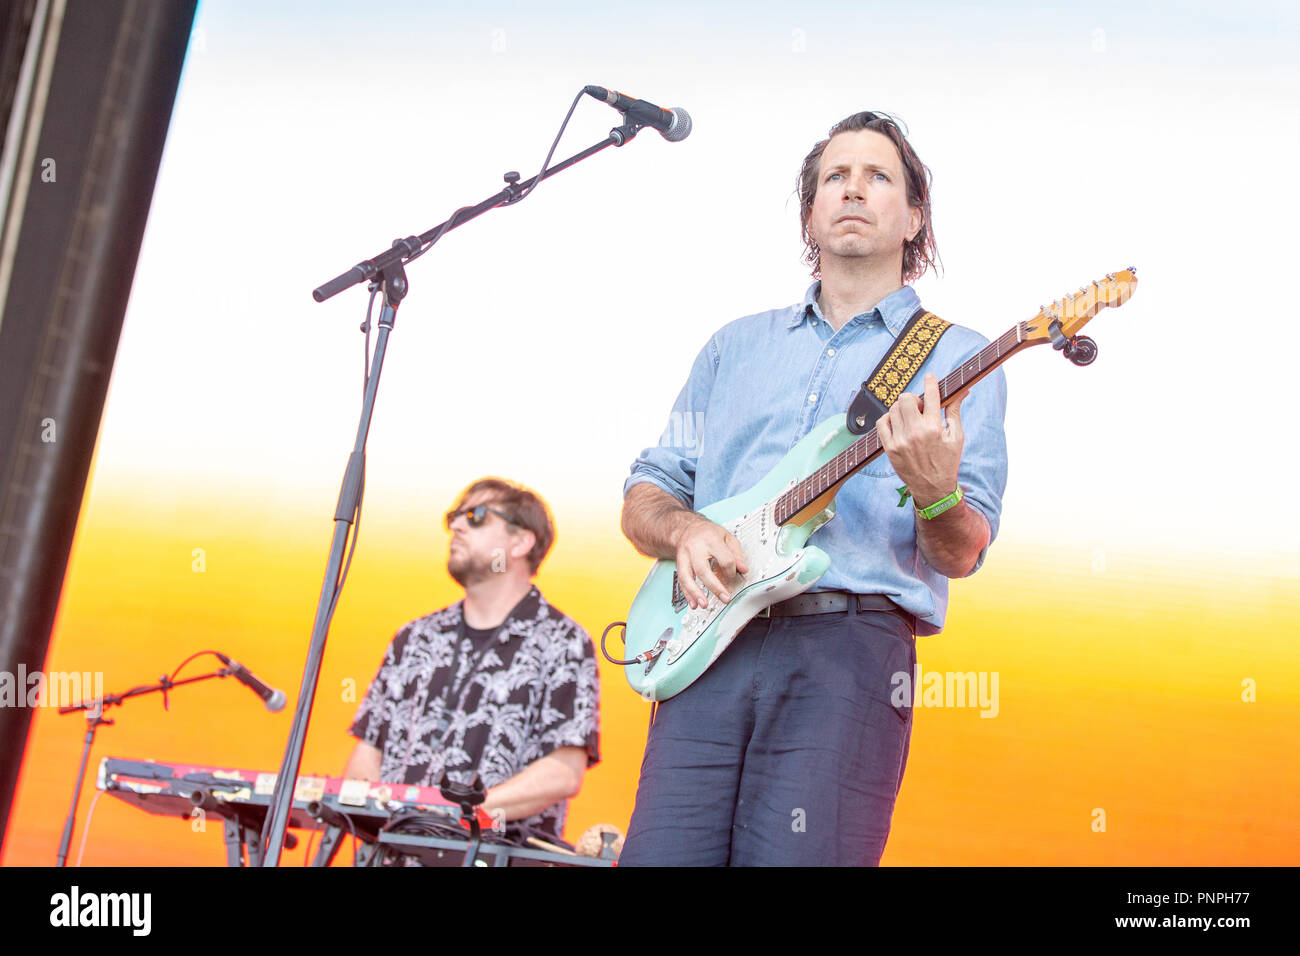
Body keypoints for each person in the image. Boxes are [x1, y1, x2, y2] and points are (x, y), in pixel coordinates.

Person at [617, 111, 1008, 866]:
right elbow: (649, 492)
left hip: (848, 654)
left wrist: (933, 494)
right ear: (810, 212)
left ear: (914, 216)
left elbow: (962, 551)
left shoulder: (961, 359)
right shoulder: (735, 346)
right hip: (706, 646)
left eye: (878, 176)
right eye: (835, 176)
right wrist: (687, 531)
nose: (853, 189)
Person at [344, 477, 600, 845]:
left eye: (476, 515)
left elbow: (562, 772)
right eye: (455, 517)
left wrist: (454, 818)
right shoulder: (414, 637)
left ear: (521, 541)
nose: (457, 525)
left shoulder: (564, 642)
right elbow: (366, 754)